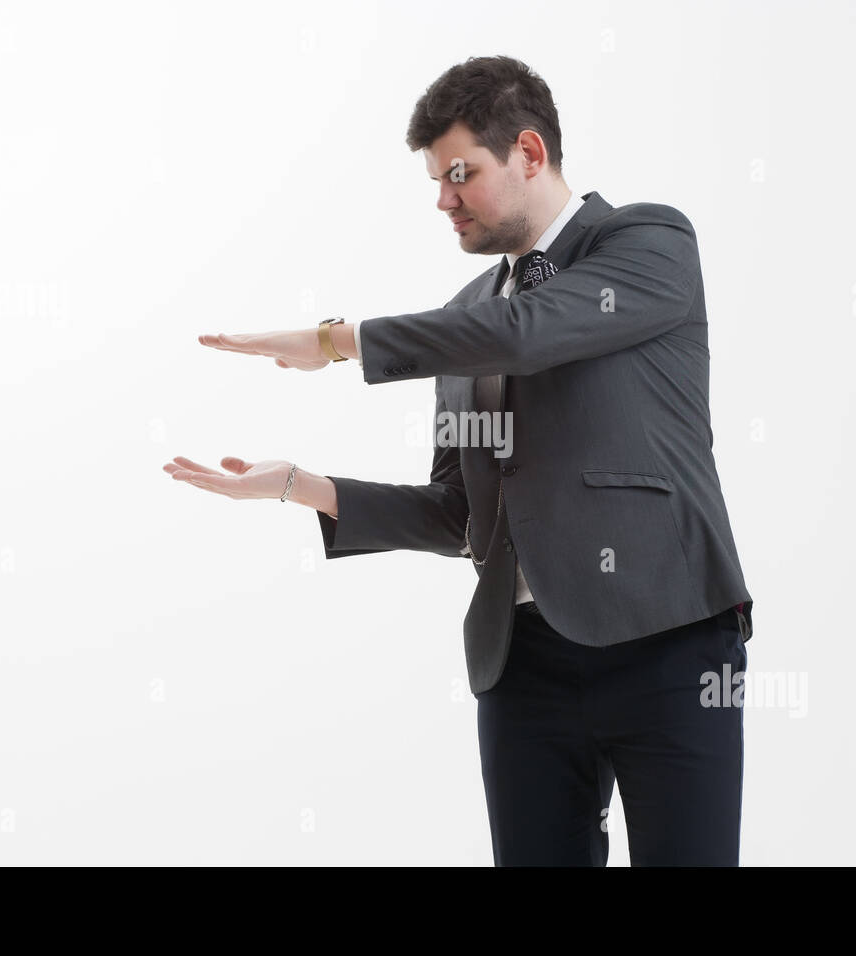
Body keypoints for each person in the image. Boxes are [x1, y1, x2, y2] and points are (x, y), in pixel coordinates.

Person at [164, 55, 754, 866]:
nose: (443, 200)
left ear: (530, 153)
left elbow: (530, 333)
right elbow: (462, 515)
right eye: (437, 181)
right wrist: (301, 487)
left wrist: (339, 341)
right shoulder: (464, 319)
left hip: (668, 644)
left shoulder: (646, 244)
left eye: (460, 174)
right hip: (524, 668)